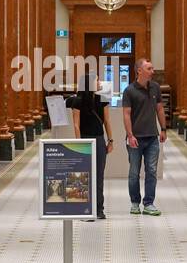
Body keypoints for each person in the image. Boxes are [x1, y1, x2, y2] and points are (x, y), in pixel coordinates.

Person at [122, 58, 167, 215]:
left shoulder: (155, 88)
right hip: (135, 138)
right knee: (134, 172)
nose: (153, 71)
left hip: (152, 137)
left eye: (153, 68)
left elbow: (160, 109)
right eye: (149, 68)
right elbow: (126, 114)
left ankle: (149, 203)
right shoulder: (129, 91)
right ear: (139, 71)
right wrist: (130, 135)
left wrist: (163, 128)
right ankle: (135, 202)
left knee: (152, 171)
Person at [67, 71, 113, 220]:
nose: (99, 83)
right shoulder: (77, 101)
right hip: (86, 140)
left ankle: (99, 209)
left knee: (99, 175)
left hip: (99, 139)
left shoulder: (102, 99)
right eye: (97, 80)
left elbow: (107, 121)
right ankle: (85, 208)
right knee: (83, 176)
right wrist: (79, 143)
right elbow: (76, 125)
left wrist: (110, 140)